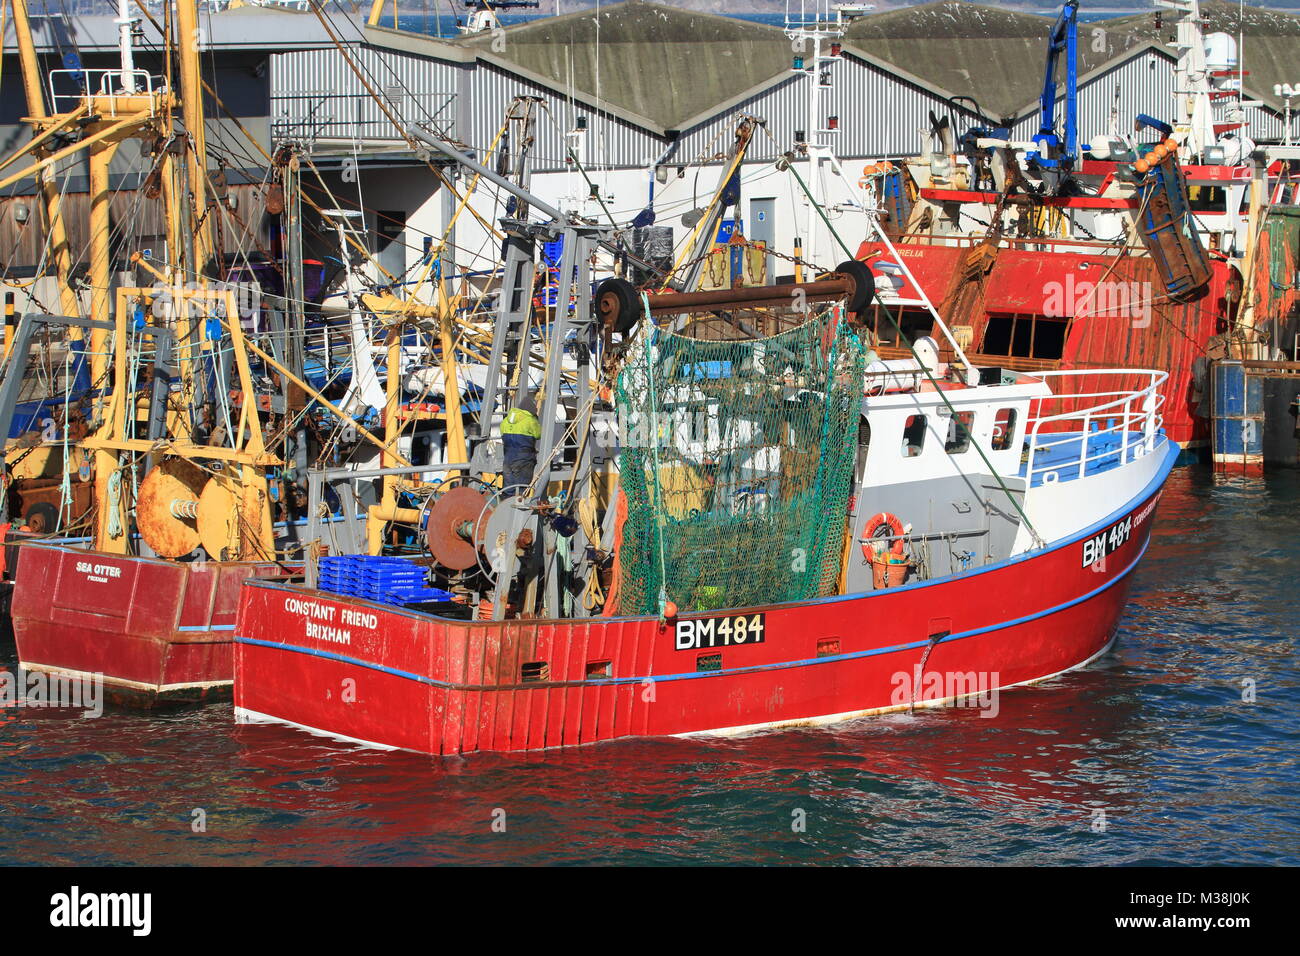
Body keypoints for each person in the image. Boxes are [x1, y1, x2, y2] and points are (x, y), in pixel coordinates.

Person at [501, 389, 542, 494]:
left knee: (508, 490)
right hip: (523, 459)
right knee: (522, 490)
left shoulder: (506, 420)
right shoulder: (530, 420)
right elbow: (538, 435)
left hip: (508, 459)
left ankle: (505, 507)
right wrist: (536, 421)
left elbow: (503, 436)